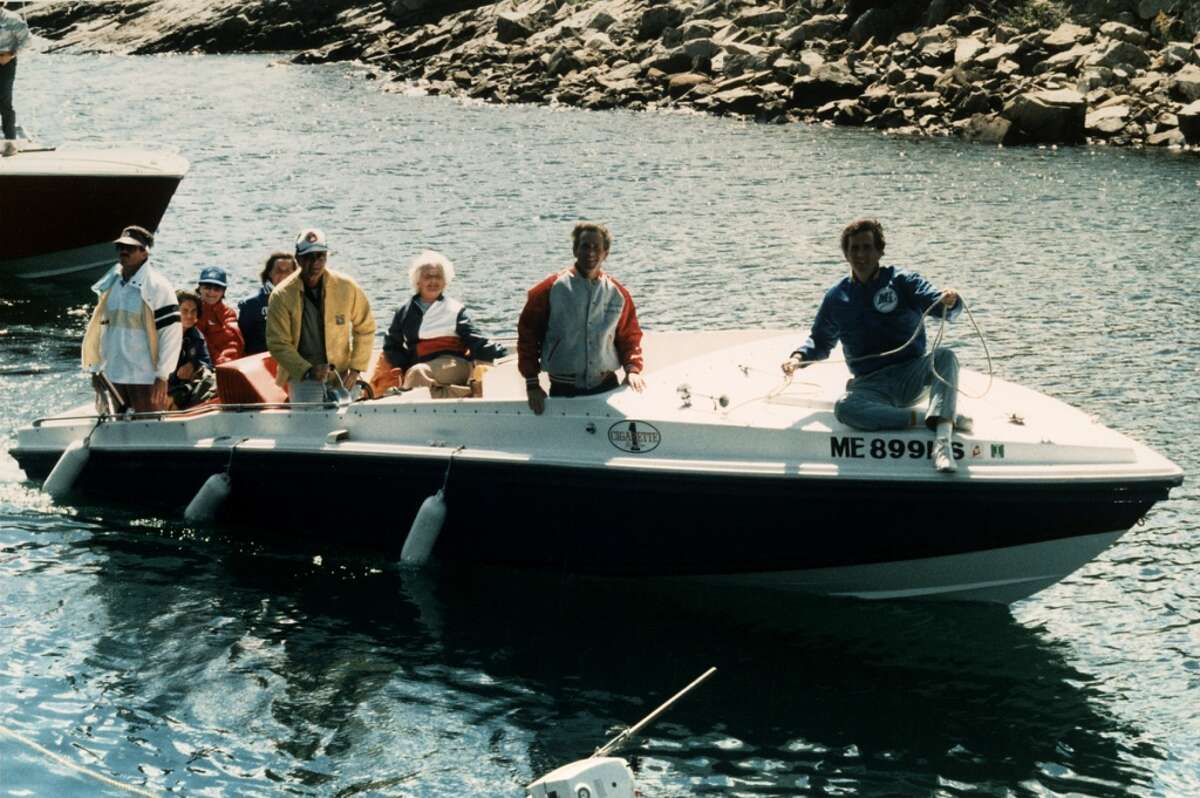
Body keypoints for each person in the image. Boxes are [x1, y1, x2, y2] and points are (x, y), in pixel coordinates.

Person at [781, 218, 968, 473]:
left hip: (911, 374)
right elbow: (820, 341)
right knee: (844, 408)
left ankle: (943, 442)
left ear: (880, 251)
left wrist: (951, 301)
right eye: (854, 248)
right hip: (869, 384)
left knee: (946, 357)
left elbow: (940, 306)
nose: (861, 255)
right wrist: (797, 358)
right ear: (846, 254)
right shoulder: (837, 297)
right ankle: (930, 419)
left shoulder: (902, 281)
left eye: (867, 247)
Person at [517, 222, 645, 415]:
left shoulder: (618, 293)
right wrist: (532, 384)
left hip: (606, 386)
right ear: (575, 249)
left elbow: (629, 336)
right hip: (563, 389)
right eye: (585, 246)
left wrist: (633, 369)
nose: (590, 252)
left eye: (597, 247)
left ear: (605, 253)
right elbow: (528, 336)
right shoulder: (549, 290)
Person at [372, 250, 507, 398]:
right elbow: (392, 345)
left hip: (454, 363)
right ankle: (466, 392)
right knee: (416, 374)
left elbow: (475, 340)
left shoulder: (455, 309)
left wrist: (502, 352)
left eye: (438, 277)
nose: (433, 281)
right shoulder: (404, 311)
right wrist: (404, 365)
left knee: (418, 373)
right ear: (418, 281)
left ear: (445, 281)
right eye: (428, 276)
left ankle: (407, 394)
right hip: (419, 365)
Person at [266, 228, 375, 403]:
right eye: (309, 257)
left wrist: (356, 369)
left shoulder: (346, 286)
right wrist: (308, 370)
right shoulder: (281, 295)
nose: (316, 262)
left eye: (320, 256)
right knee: (308, 425)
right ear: (299, 259)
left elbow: (365, 327)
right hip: (302, 377)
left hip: (343, 375)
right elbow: (278, 343)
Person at [81, 225, 182, 413]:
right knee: (116, 428)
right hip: (114, 374)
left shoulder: (158, 288)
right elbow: (101, 329)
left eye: (130, 248)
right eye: (120, 247)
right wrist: (96, 368)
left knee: (149, 427)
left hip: (145, 378)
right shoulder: (112, 284)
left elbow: (171, 334)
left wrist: (162, 376)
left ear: (145, 252)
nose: (124, 251)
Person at [237, 251, 297, 356]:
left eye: (287, 271)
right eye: (278, 271)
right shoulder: (250, 305)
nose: (283, 275)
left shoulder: (303, 300)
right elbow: (245, 345)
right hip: (264, 362)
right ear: (269, 273)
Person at [168, 289, 217, 410]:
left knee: (214, 380)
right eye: (184, 311)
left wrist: (194, 365)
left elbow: (207, 363)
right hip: (163, 387)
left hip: (186, 387)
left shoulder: (196, 336)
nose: (189, 315)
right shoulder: (163, 334)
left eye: (193, 311)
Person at [195, 266, 245, 364]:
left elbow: (235, 342)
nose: (211, 292)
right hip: (214, 364)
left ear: (223, 292)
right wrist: (222, 362)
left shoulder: (229, 312)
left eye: (217, 288)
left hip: (236, 362)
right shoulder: (194, 312)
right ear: (200, 288)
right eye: (207, 287)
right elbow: (201, 345)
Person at [0, 0, 30, 157]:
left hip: (5, 63)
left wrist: (10, 55)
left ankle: (10, 142)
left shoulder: (13, 19)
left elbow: (26, 41)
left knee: (4, 100)